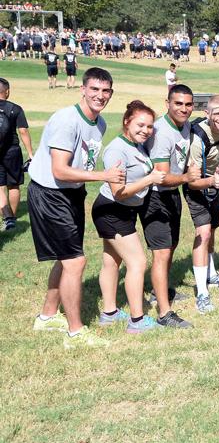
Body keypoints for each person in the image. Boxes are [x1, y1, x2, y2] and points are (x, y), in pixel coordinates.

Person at [29, 67, 124, 348]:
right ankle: (75, 331)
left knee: (67, 258)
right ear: (82, 89)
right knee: (75, 261)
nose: (100, 96)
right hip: (50, 194)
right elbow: (60, 170)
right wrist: (103, 176)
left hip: (72, 195)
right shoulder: (66, 121)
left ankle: (47, 316)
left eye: (106, 91)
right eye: (94, 89)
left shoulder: (100, 124)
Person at [92, 101, 167, 333]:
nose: (145, 130)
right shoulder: (117, 149)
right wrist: (149, 179)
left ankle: (110, 312)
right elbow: (119, 191)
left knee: (111, 261)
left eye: (149, 126)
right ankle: (137, 320)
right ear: (127, 122)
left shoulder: (137, 145)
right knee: (138, 262)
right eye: (140, 125)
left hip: (123, 210)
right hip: (112, 209)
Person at [140, 84, 201, 327]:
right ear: (167, 104)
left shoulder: (186, 126)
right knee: (162, 252)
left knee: (172, 245)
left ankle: (159, 290)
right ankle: (165, 314)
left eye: (188, 104)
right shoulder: (161, 132)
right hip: (155, 195)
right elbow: (161, 175)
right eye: (178, 103)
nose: (184, 109)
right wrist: (187, 178)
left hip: (171, 194)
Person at [183, 94, 219, 313]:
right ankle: (202, 292)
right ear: (207, 114)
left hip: (216, 183)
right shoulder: (197, 141)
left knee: (214, 229)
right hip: (198, 186)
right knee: (203, 233)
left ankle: (212, 274)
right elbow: (191, 180)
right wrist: (210, 181)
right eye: (217, 113)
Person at [0, 78, 33, 231]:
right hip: (12, 151)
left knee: (0, 187)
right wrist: (30, 153)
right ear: (7, 91)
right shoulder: (15, 108)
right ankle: (12, 216)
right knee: (13, 185)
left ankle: (5, 216)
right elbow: (23, 131)